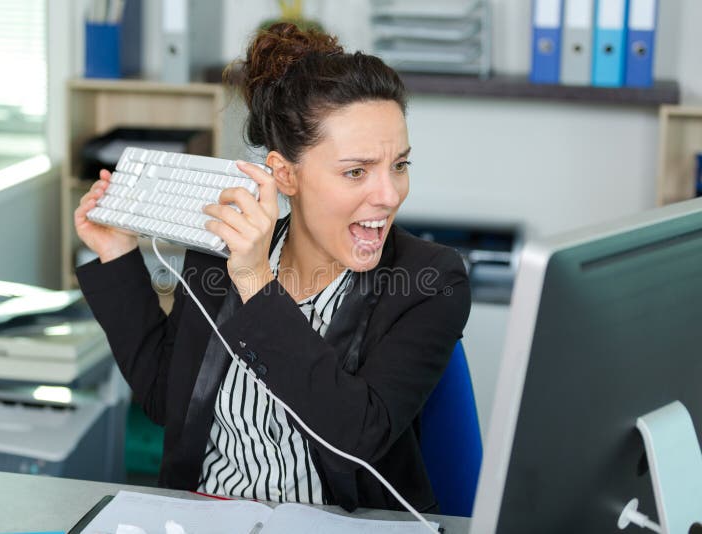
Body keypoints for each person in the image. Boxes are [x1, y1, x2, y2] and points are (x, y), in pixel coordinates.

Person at [74, 22, 470, 513]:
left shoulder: (431, 280)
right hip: (206, 516)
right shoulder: (224, 247)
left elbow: (357, 436)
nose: (389, 195)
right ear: (285, 173)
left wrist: (257, 283)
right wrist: (117, 255)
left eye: (400, 166)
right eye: (356, 171)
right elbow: (165, 399)